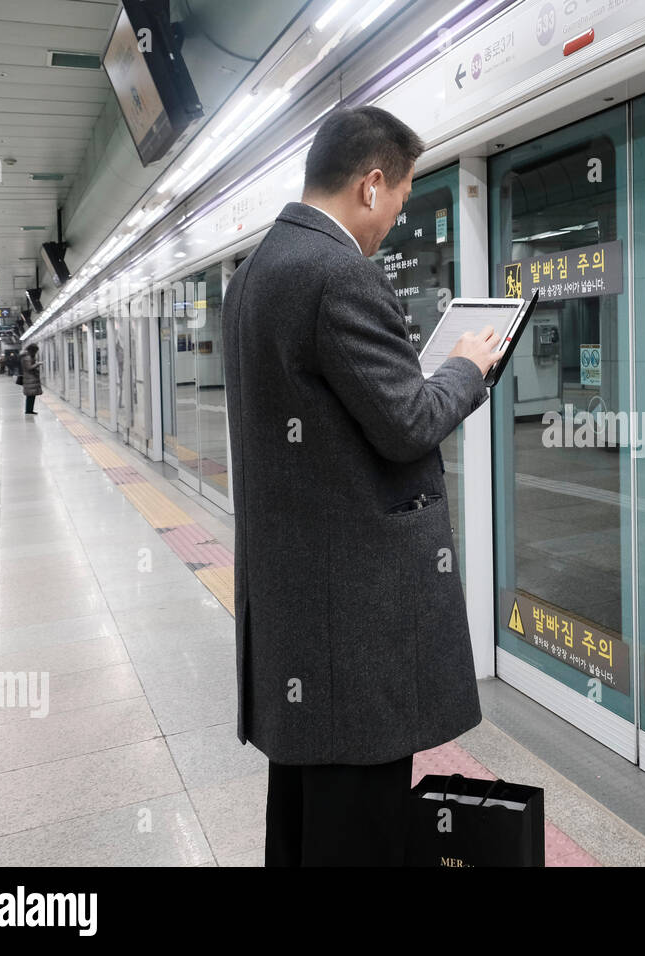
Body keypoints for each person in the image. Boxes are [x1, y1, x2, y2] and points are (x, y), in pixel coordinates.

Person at [223, 105, 504, 867]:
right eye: (403, 202)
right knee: (362, 826)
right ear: (372, 185)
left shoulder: (251, 276)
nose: (394, 223)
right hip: (354, 628)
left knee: (304, 817)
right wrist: (466, 367)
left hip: (294, 613)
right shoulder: (337, 275)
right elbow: (409, 422)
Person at [20, 344, 42, 415]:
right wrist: (37, 364)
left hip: (30, 378)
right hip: (30, 378)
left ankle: (30, 410)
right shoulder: (27, 357)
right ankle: (29, 410)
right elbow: (29, 368)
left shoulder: (27, 356)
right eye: (35, 351)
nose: (36, 353)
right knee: (30, 396)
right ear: (32, 350)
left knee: (31, 396)